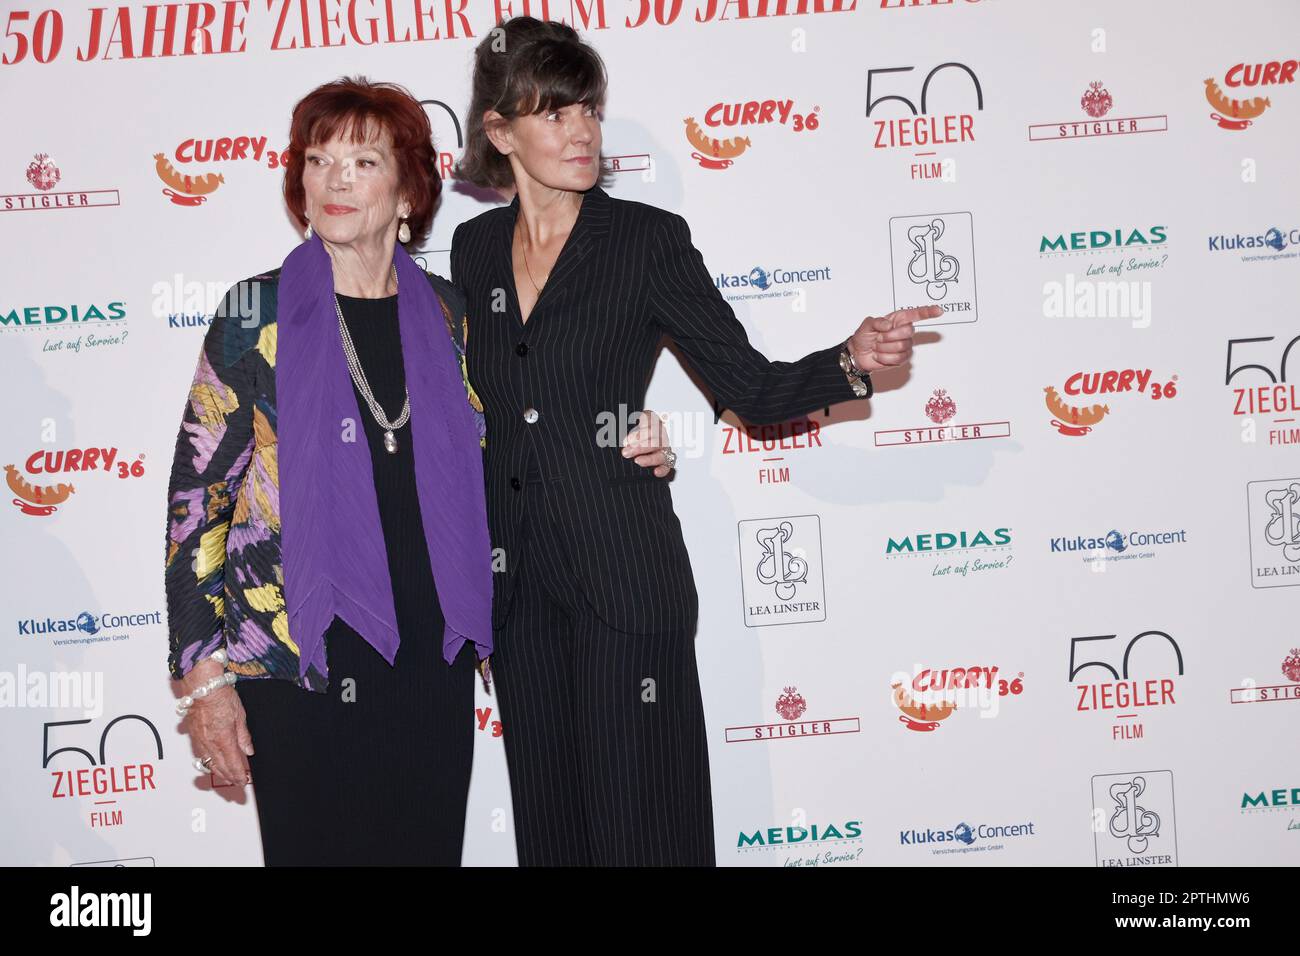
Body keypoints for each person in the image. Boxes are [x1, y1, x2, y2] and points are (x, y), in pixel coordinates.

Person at [450, 17, 939, 867]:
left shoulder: (645, 240)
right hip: (515, 590)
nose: (581, 133)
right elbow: (469, 409)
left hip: (624, 574)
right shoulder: (473, 248)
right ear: (500, 132)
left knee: (648, 831)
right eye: (554, 114)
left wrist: (850, 363)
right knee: (551, 835)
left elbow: (747, 387)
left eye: (589, 111)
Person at [162, 76, 670, 866]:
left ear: (407, 191)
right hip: (298, 658)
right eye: (318, 160)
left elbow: (533, 432)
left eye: (362, 162)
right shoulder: (253, 315)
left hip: (433, 655)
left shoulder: (453, 314)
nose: (334, 179)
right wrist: (205, 684)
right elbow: (198, 503)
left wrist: (627, 436)